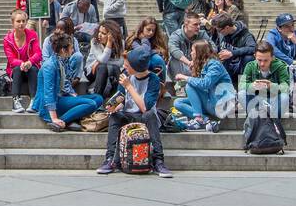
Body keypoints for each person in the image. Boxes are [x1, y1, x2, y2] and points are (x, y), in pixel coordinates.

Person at [96, 43, 173, 178]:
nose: (124, 67)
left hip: (144, 117)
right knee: (115, 116)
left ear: (136, 67)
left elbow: (145, 107)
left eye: (127, 65)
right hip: (128, 115)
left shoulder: (153, 80)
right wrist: (114, 106)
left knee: (150, 115)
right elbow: (121, 98)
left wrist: (129, 86)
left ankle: (158, 160)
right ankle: (110, 159)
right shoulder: (126, 75)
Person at [34, 28, 103, 130]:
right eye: (71, 48)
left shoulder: (62, 60)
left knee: (98, 98)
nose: (73, 50)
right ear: (63, 50)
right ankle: (61, 122)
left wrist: (74, 95)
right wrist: (54, 118)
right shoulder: (49, 66)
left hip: (62, 97)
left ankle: (72, 119)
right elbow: (48, 94)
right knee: (91, 104)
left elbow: (65, 82)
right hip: (50, 104)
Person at [171, 36, 232, 131]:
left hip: (220, 104)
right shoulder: (202, 65)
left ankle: (198, 119)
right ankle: (206, 120)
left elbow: (205, 84)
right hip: (210, 101)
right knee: (178, 103)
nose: (191, 53)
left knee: (190, 85)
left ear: (199, 53)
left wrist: (186, 77)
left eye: (193, 51)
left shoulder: (214, 64)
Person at [3, 9, 42, 112]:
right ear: (13, 23)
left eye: (23, 21)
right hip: (16, 69)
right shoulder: (7, 39)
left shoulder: (32, 35)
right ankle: (15, 101)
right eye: (18, 21)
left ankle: (34, 101)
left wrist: (29, 62)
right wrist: (22, 64)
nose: (21, 24)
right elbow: (11, 59)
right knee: (17, 69)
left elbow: (38, 54)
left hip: (31, 67)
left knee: (33, 69)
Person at [242, 40, 290, 120]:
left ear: (272, 58)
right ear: (255, 56)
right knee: (242, 93)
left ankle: (273, 122)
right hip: (256, 99)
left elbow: (286, 87)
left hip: (274, 99)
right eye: (259, 60)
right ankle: (253, 121)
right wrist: (252, 86)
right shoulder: (250, 66)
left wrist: (271, 86)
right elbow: (241, 85)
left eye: (266, 60)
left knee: (285, 97)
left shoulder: (281, 66)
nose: (262, 64)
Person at [209, 11, 256, 86]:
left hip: (239, 65)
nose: (218, 32)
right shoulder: (222, 33)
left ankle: (244, 85)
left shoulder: (245, 34)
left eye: (219, 30)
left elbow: (253, 48)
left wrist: (232, 53)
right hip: (226, 64)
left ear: (227, 28)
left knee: (249, 58)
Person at [81, 19, 124, 98]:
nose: (99, 35)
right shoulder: (95, 41)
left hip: (109, 69)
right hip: (92, 71)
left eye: (103, 33)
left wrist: (99, 62)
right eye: (99, 32)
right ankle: (97, 98)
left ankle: (118, 97)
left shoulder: (120, 43)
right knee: (102, 66)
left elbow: (121, 62)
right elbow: (103, 59)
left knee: (115, 68)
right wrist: (109, 43)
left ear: (112, 35)